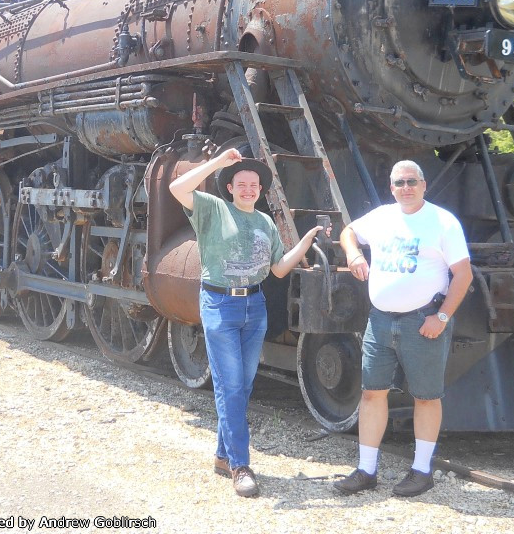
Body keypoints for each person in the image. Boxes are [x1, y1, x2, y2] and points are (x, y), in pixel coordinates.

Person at [169, 148, 324, 498]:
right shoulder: (211, 209)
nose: (249, 189)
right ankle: (241, 466)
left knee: (242, 386)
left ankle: (223, 457)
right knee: (232, 387)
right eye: (242, 184)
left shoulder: (264, 223)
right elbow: (178, 187)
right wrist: (219, 163)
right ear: (230, 188)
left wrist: (304, 242)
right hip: (220, 304)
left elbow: (279, 269)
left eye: (254, 185)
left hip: (255, 307)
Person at [333, 160, 472, 498]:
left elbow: (463, 275)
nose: (406, 187)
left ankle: (422, 471)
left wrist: (440, 318)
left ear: (424, 185)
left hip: (421, 320)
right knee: (371, 392)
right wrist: (353, 255)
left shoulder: (443, 222)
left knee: (425, 397)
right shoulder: (382, 217)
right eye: (399, 183)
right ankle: (367, 470)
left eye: (412, 181)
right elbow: (348, 231)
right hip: (380, 319)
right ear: (391, 188)